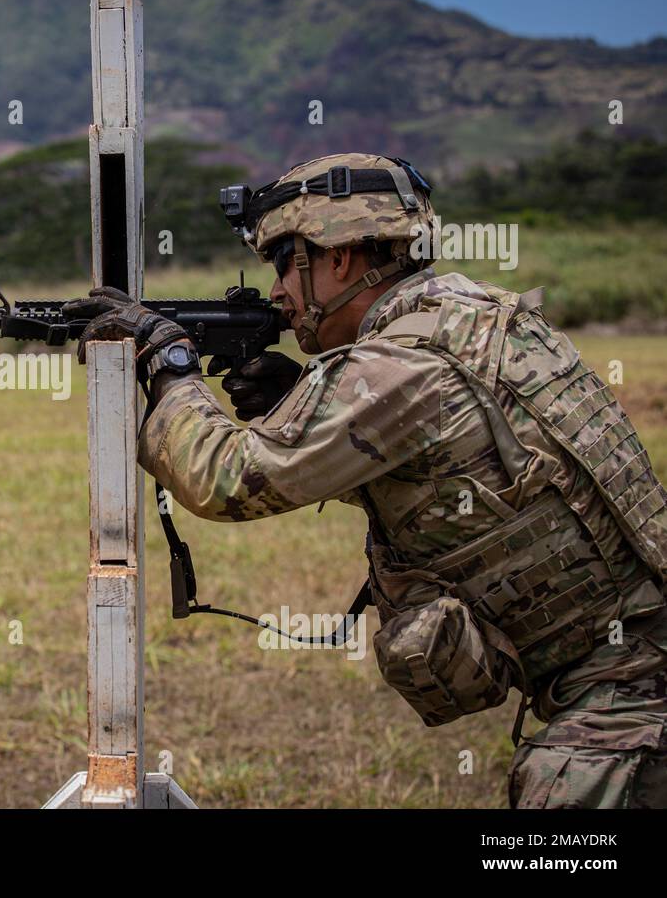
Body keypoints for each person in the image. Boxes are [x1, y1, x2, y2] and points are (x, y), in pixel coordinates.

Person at [63, 153, 667, 808]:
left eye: (284, 265)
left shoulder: (398, 365)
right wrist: (302, 399)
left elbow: (223, 478)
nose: (277, 294)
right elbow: (459, 474)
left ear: (340, 259)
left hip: (623, 724)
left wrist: (171, 364)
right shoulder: (480, 318)